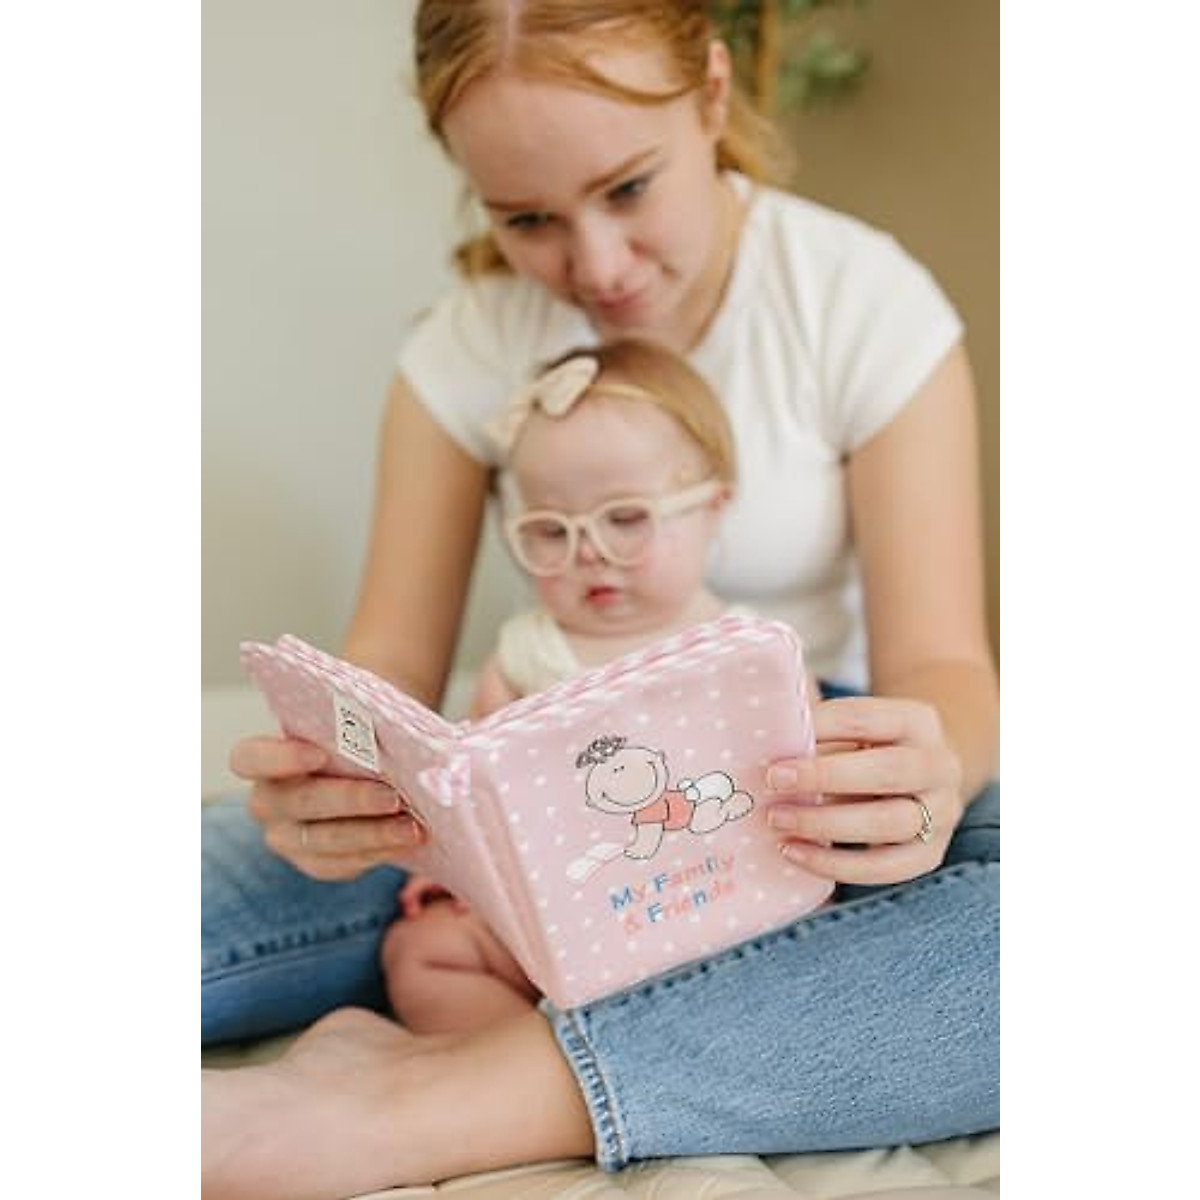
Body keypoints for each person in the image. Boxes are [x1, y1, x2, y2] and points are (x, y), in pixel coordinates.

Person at [202, 1, 999, 1196]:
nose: (598, 268)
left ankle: (434, 1100)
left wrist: (931, 773)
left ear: (715, 99)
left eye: (629, 188)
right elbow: (385, 681)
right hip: (531, 802)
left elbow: (947, 664)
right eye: (527, 220)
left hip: (790, 798)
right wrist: (329, 790)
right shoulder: (468, 346)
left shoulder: (859, 304)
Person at [382, 336, 766, 1034]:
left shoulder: (744, 655)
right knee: (424, 950)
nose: (587, 552)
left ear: (714, 508)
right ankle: (510, 1061)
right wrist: (453, 872)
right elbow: (469, 792)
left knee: (804, 949)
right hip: (555, 913)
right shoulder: (525, 655)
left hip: (695, 902)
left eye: (625, 519)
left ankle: (618, 1057)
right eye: (550, 531)